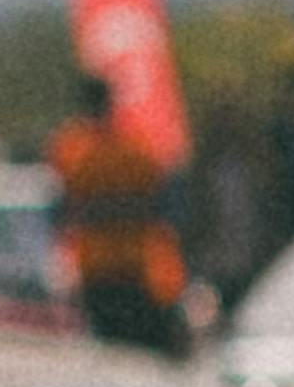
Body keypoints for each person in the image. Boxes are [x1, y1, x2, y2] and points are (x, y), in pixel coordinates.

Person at [48, 63, 190, 353]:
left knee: (113, 351)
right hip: (137, 267)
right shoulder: (137, 143)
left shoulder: (70, 147)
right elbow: (163, 203)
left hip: (100, 268)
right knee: (145, 350)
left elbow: (63, 210)